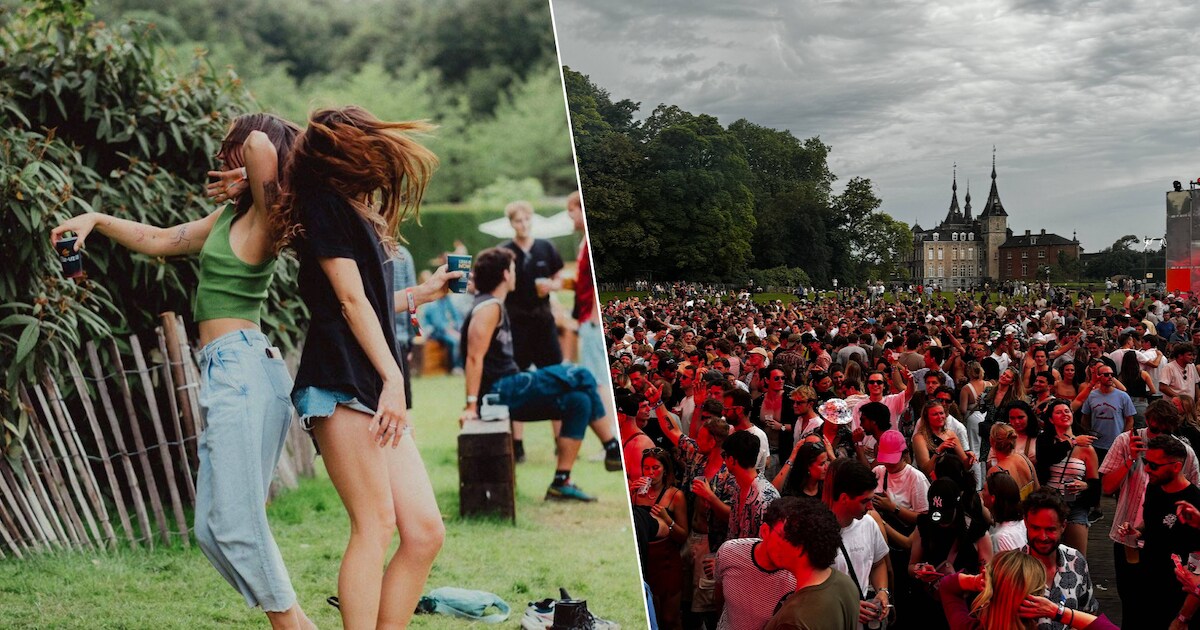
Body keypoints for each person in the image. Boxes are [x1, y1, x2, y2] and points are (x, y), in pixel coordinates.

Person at [52, 114, 315, 629]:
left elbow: (264, 141)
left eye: (228, 152)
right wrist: (96, 220)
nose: (220, 162)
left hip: (244, 366)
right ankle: (295, 622)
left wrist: (252, 152)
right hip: (226, 369)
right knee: (212, 530)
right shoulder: (226, 220)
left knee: (237, 524)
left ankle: (292, 626)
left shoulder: (267, 216)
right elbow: (159, 239)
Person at [277, 107, 456, 629]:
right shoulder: (323, 203)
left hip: (369, 384)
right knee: (376, 525)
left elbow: (366, 301)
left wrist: (421, 293)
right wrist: (396, 379)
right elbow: (350, 303)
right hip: (338, 382)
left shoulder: (347, 209)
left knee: (423, 531)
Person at [460, 247, 620, 502]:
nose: (516, 274)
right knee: (581, 376)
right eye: (513, 269)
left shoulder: (490, 303)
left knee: (579, 402)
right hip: (500, 391)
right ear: (505, 274)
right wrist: (471, 405)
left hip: (509, 387)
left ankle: (561, 482)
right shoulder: (489, 307)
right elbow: (473, 357)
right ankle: (613, 446)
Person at [1099, 398, 1200, 626]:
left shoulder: (1183, 453)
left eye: (1166, 431)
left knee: (1160, 607)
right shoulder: (1126, 441)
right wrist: (1131, 459)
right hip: (1128, 539)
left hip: (1171, 555)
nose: (1159, 436)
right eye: (1154, 430)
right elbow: (1107, 488)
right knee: (1131, 603)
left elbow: (1193, 494)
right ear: (1147, 422)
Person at [501, 200, 566, 462]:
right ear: (512, 224)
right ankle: (517, 445)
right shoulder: (505, 252)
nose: (523, 224)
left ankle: (560, 441)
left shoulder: (546, 247)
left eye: (527, 220)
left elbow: (560, 278)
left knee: (555, 379)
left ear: (532, 220)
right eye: (518, 221)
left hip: (543, 322)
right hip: (516, 325)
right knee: (517, 382)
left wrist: (552, 286)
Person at [1118, 435, 1200, 629]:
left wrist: (1183, 618)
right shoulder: (1155, 488)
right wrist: (1137, 531)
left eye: (1153, 466)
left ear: (1176, 467)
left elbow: (1198, 564)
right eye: (1146, 462)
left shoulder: (1194, 504)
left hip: (1176, 596)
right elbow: (1152, 522)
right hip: (1148, 584)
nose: (1146, 469)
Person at [937, 550, 1116, 630]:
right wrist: (1058, 612)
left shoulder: (966, 626)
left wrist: (977, 581)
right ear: (1036, 597)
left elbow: (946, 586)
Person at [764, 498, 861, 630]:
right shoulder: (845, 582)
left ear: (801, 548)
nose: (765, 535)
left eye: (781, 534)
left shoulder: (794, 620)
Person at [825, 459, 892, 628]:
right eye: (864, 501)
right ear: (844, 498)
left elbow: (878, 564)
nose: (870, 506)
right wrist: (848, 605)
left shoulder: (869, 524)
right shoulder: (817, 533)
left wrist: (882, 592)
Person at [713, 498, 798, 630]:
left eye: (795, 540)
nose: (789, 546)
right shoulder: (729, 552)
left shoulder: (797, 576)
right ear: (765, 531)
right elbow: (718, 596)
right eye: (782, 537)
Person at [1021, 488, 1099, 630]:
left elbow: (1089, 611)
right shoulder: (1012, 568)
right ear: (1025, 522)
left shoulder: (1076, 560)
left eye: (1050, 530)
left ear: (1063, 526)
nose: (1042, 537)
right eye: (1035, 528)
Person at [1035, 399, 1099, 555]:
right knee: (1047, 554)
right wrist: (1073, 442)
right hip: (1049, 503)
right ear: (1050, 419)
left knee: (1077, 557)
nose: (1064, 414)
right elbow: (1046, 458)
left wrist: (1086, 486)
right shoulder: (1044, 440)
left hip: (1075, 505)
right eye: (1058, 412)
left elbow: (1096, 483)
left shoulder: (1086, 447)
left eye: (1067, 411)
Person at [633, 447, 687, 630]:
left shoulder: (675, 496)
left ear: (665, 470)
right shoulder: (637, 493)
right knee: (651, 614)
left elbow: (682, 536)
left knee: (670, 619)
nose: (650, 473)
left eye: (655, 468)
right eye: (646, 468)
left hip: (667, 562)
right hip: (646, 560)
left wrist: (667, 520)